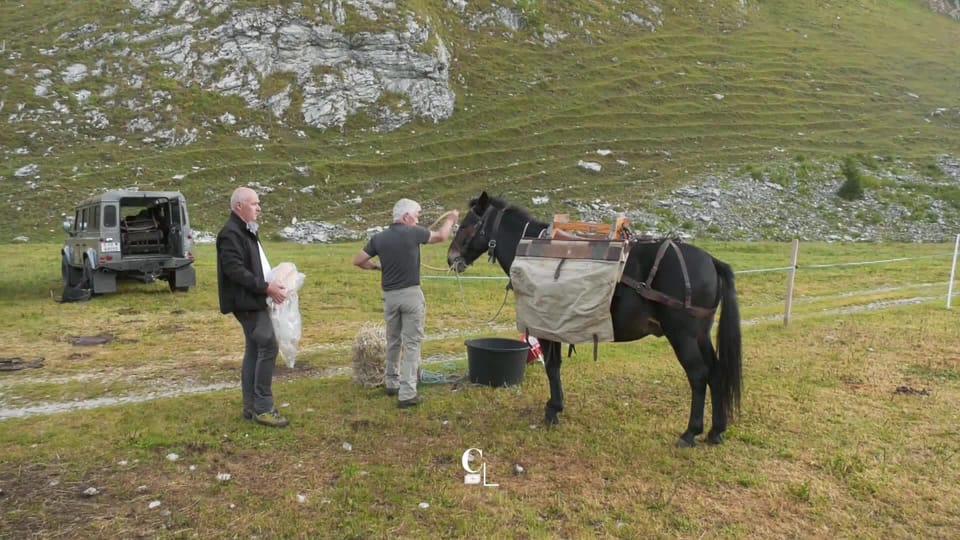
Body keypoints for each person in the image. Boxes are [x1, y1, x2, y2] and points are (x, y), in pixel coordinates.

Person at [352, 199, 459, 408]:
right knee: (412, 344)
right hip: (411, 295)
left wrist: (376, 267)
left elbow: (358, 261)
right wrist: (451, 219)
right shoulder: (413, 232)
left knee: (393, 340)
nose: (418, 219)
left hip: (389, 297)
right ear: (407, 217)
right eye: (417, 215)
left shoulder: (379, 238)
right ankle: (407, 393)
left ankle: (391, 382)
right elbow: (441, 236)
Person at [216, 186, 290, 427]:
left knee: (255, 350)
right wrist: (266, 287)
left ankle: (250, 407)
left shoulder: (245, 230)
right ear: (239, 206)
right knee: (268, 346)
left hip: (252, 299)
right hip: (247, 302)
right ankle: (263, 407)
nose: (259, 208)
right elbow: (235, 270)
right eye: (254, 203)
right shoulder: (230, 233)